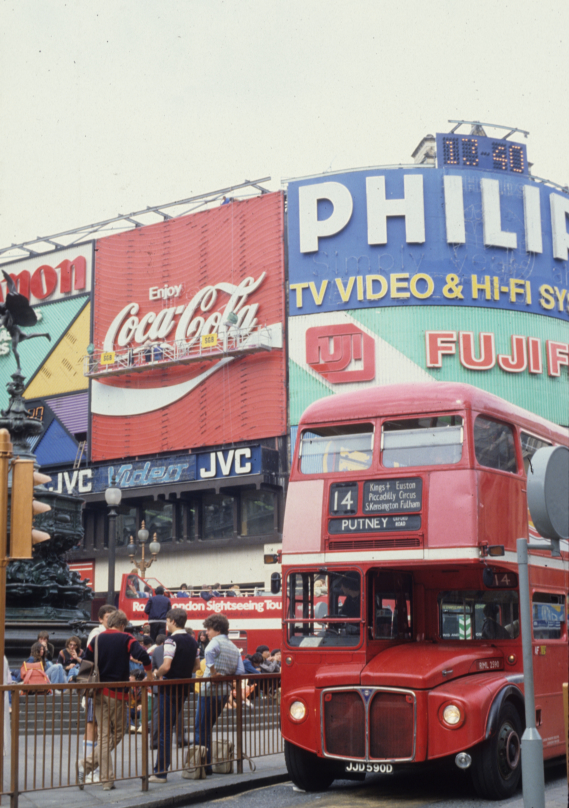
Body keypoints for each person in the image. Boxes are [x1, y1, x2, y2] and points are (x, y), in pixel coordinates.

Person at [81, 609, 151, 791]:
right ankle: (87, 765)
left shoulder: (96, 639)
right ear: (122, 624)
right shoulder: (127, 638)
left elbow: (85, 661)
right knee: (119, 732)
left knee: (104, 735)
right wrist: (150, 675)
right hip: (117, 693)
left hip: (97, 691)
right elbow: (144, 656)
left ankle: (105, 779)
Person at [149, 608, 199, 783]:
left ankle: (161, 772)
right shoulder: (193, 641)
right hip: (184, 687)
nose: (166, 625)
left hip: (169, 687)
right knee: (169, 726)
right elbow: (196, 666)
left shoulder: (171, 641)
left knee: (164, 729)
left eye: (167, 622)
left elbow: (167, 666)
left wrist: (156, 673)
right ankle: (161, 769)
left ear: (172, 621)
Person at [192, 614, 244, 777]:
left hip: (208, 690)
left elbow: (207, 650)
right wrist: (225, 678)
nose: (207, 633)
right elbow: (240, 672)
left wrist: (213, 672)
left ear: (218, 629)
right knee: (207, 727)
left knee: (200, 728)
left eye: (209, 629)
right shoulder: (234, 647)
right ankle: (207, 765)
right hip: (224, 693)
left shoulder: (215, 642)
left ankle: (202, 766)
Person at [80, 604, 117, 785]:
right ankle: (88, 770)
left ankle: (92, 768)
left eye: (113, 616)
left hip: (104, 688)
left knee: (101, 730)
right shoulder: (97, 634)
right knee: (93, 727)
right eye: (108, 616)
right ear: (101, 618)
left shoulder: (108, 634)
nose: (111, 620)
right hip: (98, 687)